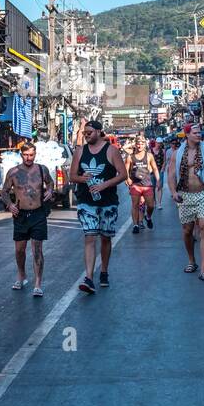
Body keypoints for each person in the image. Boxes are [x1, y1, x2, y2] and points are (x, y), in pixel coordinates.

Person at [69, 120, 126, 294]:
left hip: (108, 201)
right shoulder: (80, 151)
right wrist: (83, 178)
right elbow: (72, 176)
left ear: (99, 132)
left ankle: (104, 271)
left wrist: (104, 185)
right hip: (86, 201)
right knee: (90, 236)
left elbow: (123, 174)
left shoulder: (111, 151)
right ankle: (88, 277)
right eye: (84, 133)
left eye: (89, 132)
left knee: (106, 238)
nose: (86, 135)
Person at [167, 129, 204, 282]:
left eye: (200, 132)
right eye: (195, 132)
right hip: (185, 195)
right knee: (187, 230)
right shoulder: (177, 154)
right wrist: (173, 192)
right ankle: (192, 261)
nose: (199, 135)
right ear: (187, 135)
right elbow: (171, 175)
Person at [0, 141, 54, 296]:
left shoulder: (42, 169)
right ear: (21, 155)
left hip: (38, 214)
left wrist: (50, 191)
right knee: (19, 250)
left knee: (37, 249)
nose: (29, 158)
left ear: (35, 154)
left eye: (31, 155)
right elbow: (4, 191)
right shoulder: (13, 172)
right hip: (21, 215)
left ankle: (38, 284)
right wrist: (10, 205)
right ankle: (21, 275)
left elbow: (50, 183)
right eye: (25, 155)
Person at [126, 135, 161, 234]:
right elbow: (126, 169)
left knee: (151, 205)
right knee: (135, 205)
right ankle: (135, 225)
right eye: (138, 144)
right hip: (135, 184)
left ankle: (148, 217)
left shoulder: (149, 156)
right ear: (135, 144)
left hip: (147, 184)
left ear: (144, 145)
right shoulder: (130, 157)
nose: (139, 145)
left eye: (141, 144)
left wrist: (158, 180)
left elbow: (155, 168)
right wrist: (127, 178)